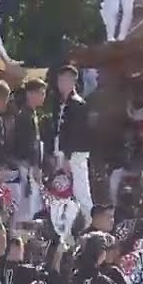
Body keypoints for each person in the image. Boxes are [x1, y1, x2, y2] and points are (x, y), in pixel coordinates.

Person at [55, 65, 94, 219]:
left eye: (65, 80)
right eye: (60, 80)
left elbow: (75, 133)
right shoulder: (62, 103)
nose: (61, 83)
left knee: (81, 191)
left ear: (73, 81)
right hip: (63, 152)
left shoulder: (77, 104)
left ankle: (89, 220)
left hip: (75, 154)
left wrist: (67, 157)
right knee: (62, 191)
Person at [10, 79, 47, 227]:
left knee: (31, 202)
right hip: (26, 165)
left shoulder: (31, 114)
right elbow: (29, 144)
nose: (43, 97)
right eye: (41, 93)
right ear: (30, 94)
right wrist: (35, 166)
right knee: (27, 202)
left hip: (29, 164)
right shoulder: (25, 116)